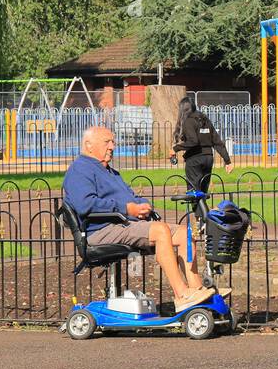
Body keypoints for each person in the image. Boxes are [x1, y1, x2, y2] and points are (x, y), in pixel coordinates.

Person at [63, 126, 220, 310]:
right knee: (160, 231)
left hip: (122, 224)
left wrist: (141, 205)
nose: (112, 146)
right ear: (89, 145)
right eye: (107, 142)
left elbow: (129, 197)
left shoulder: (110, 172)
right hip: (100, 230)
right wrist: (127, 208)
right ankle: (182, 294)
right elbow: (85, 205)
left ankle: (197, 291)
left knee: (184, 233)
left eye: (113, 142)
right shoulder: (79, 170)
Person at [171, 97, 233, 193]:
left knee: (194, 194)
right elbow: (217, 142)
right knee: (203, 193)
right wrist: (227, 161)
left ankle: (197, 208)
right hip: (208, 159)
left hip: (195, 160)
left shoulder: (189, 121)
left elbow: (193, 141)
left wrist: (175, 148)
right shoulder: (205, 120)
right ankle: (203, 208)